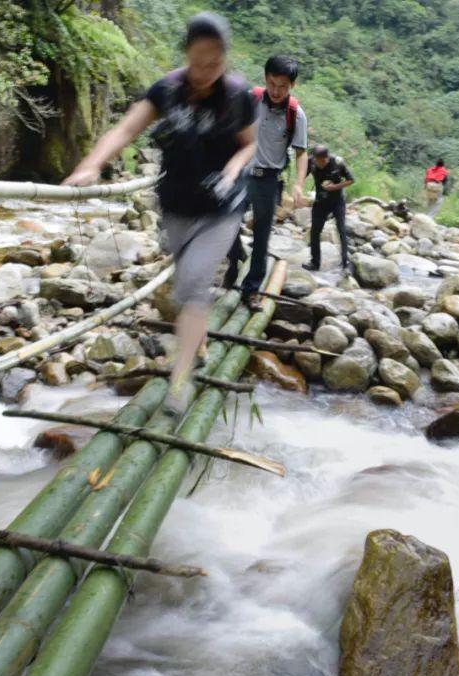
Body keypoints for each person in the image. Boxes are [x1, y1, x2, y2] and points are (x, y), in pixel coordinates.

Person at [62, 12, 256, 415]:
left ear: (225, 60)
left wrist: (233, 170)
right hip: (177, 204)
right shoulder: (166, 90)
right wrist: (91, 165)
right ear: (186, 53)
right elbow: (125, 130)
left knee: (195, 283)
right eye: (199, 61)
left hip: (222, 208)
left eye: (215, 63)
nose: (206, 72)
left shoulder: (237, 96)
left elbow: (251, 145)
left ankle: (180, 378)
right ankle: (197, 342)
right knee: (187, 285)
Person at [224, 54, 309, 309]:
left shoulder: (296, 115)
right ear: (265, 79)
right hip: (240, 173)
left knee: (261, 236)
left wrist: (298, 185)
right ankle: (235, 255)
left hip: (268, 181)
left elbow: (301, 152)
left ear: (292, 85)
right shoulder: (250, 100)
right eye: (272, 84)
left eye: (282, 86)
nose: (276, 90)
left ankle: (251, 290)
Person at [304, 145, 354, 271]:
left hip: (337, 201)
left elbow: (351, 180)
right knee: (315, 231)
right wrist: (298, 188)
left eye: (323, 160)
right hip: (320, 201)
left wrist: (335, 187)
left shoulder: (337, 163)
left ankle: (345, 263)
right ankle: (315, 262)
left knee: (341, 229)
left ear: (327, 158)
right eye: (317, 160)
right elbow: (302, 175)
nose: (321, 163)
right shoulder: (311, 162)